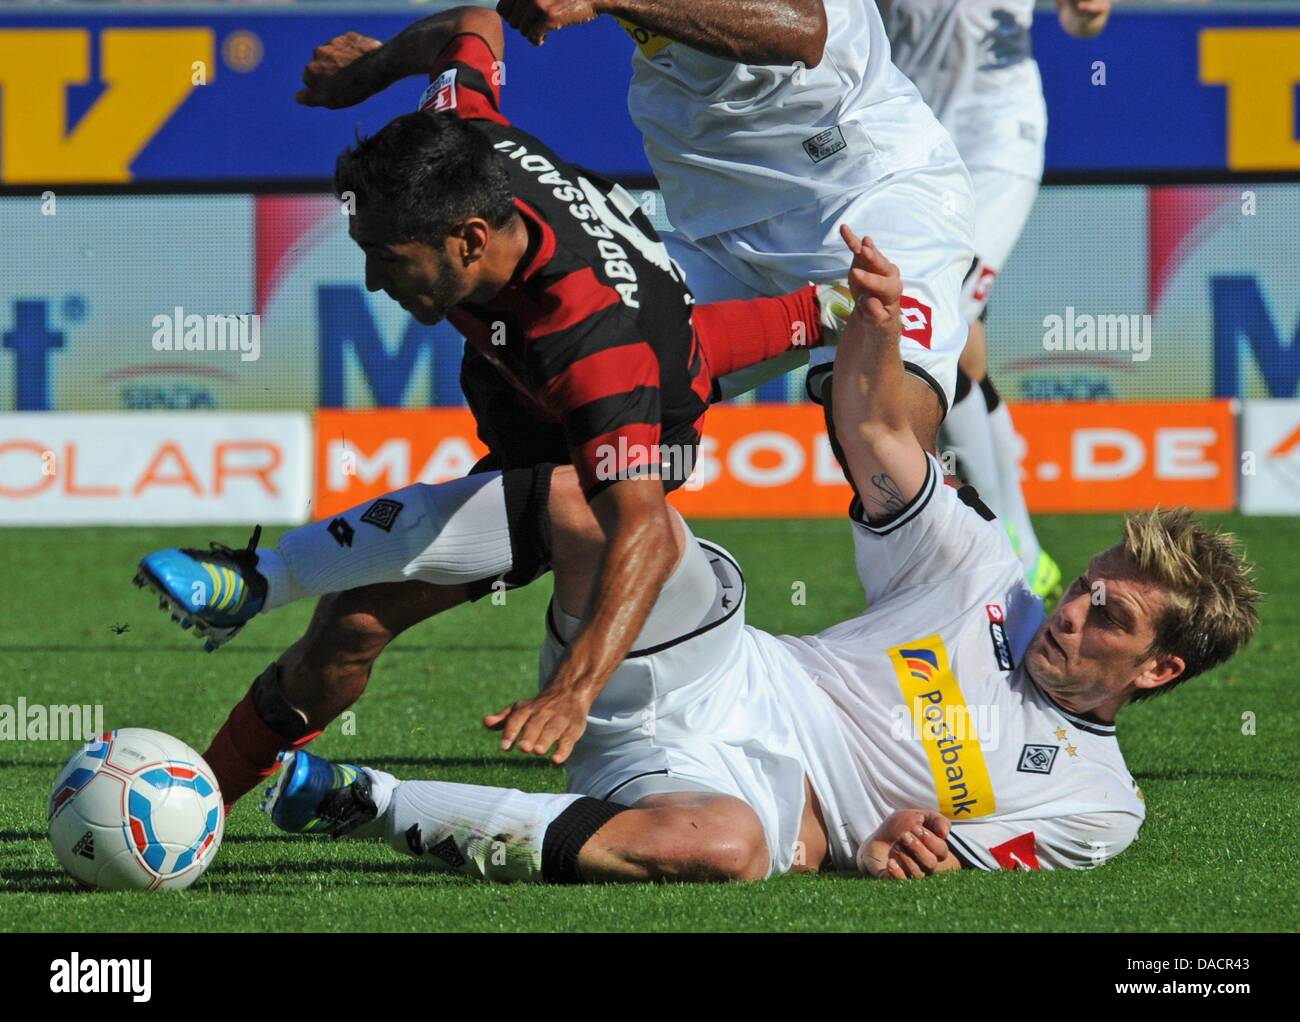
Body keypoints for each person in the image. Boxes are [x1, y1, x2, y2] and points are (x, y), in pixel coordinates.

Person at [261, 231, 1259, 883]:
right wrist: (868, 330)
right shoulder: (982, 573)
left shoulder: (1097, 807)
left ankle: (368, 800)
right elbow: (875, 438)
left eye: (1109, 618)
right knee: (603, 504)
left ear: (1159, 667)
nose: (1073, 609)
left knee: (728, 849)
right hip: (717, 663)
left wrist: (887, 849)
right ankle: (267, 572)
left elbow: (935, 858)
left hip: (738, 798)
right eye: (1086, 584)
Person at [133, 6, 850, 808]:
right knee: (352, 629)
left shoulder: (590, 347)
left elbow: (639, 529)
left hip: (603, 438)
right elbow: (475, 21)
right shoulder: (461, 123)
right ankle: (202, 802)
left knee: (568, 501)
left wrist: (574, 689)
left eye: (387, 260)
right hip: (585, 387)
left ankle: (261, 577)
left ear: (471, 239)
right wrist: (363, 76)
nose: (374, 283)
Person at [496, 0, 975, 444]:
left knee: (882, 442)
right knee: (548, 383)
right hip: (720, 232)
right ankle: (662, 540)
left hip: (862, 193)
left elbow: (802, 30)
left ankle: (984, 532)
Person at [879, 0, 1112, 598]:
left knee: (940, 317)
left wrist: (1088, 13)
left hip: (998, 139)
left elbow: (1082, 19)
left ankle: (1012, 551)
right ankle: (1023, 549)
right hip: (911, 140)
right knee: (964, 350)